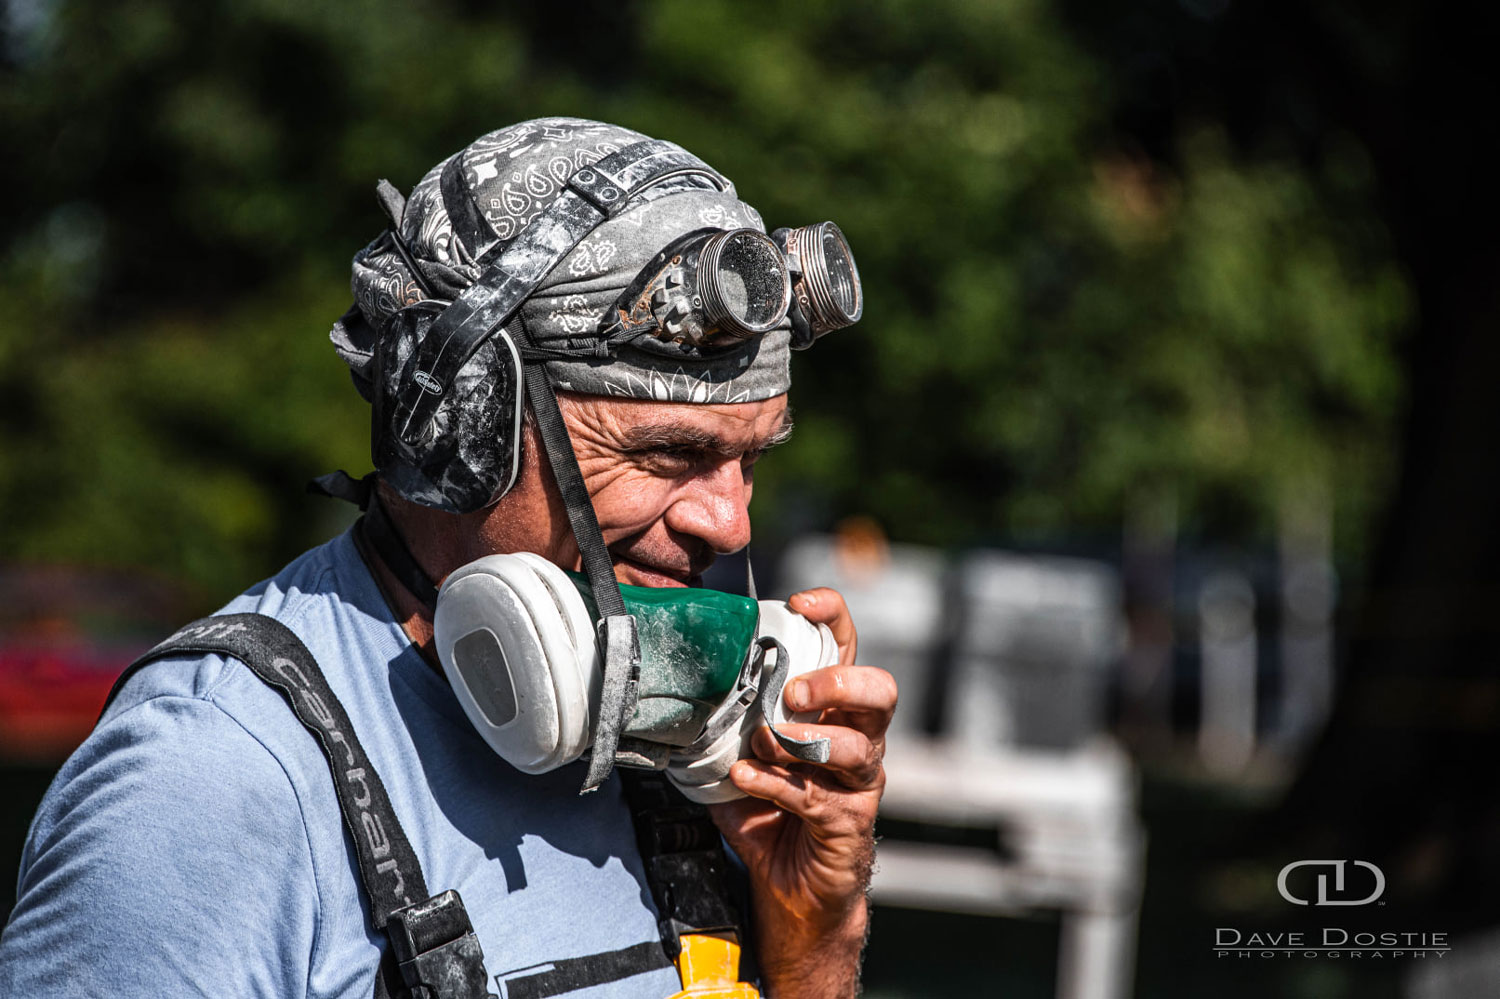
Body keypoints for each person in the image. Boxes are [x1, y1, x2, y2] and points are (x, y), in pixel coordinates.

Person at [0, 117, 896, 999]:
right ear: (461, 427)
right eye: (668, 454)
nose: (730, 522)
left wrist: (813, 930)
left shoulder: (686, 761)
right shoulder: (211, 781)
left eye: (750, 458)